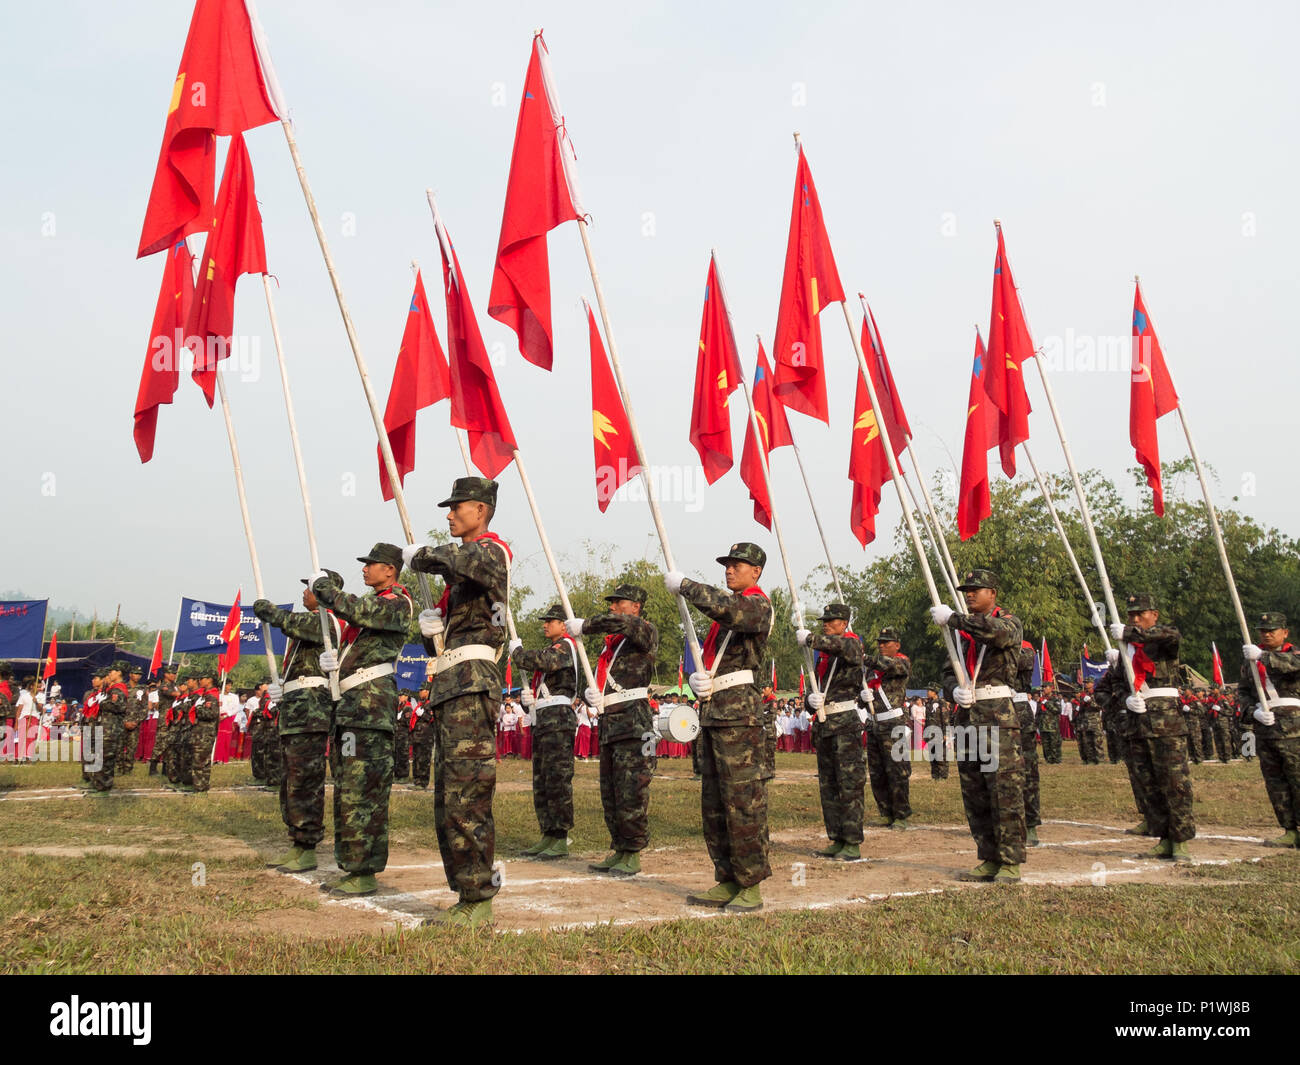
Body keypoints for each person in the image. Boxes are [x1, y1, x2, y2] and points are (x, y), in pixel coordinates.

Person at [405, 477, 510, 927]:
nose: (448, 515)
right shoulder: (463, 577)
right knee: (449, 796)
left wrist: (420, 556)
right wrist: (433, 633)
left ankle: (479, 897)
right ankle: (466, 890)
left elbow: (456, 559)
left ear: (481, 511)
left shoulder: (491, 551)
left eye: (456, 507)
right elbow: (449, 644)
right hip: (452, 683)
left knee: (468, 793)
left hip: (471, 684)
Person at [670, 542, 772, 913]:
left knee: (743, 802)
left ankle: (751, 884)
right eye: (727, 565)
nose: (729, 571)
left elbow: (728, 609)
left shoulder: (757, 605)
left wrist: (686, 585)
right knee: (714, 802)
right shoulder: (728, 615)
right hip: (716, 712)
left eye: (737, 565)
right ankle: (726, 876)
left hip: (739, 716)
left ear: (756, 571)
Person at [311, 544, 413, 897]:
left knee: (363, 789)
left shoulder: (396, 602)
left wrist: (324, 589)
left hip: (370, 708)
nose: (365, 570)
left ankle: (364, 868)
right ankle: (352, 863)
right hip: (352, 707)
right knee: (347, 787)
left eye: (371, 566)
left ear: (390, 570)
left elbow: (356, 609)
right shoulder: (378, 602)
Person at [932, 569, 1026, 884]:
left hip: (998, 718)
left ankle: (1010, 860)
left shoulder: (1008, 622)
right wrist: (952, 690)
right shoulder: (960, 635)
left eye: (976, 589)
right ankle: (988, 855)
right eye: (966, 590)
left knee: (1004, 790)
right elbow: (947, 672)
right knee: (975, 791)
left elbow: (995, 634)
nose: (969, 594)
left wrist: (955, 618)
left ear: (993, 593)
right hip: (968, 716)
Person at [254, 574, 344, 873]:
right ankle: (297, 839)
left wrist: (273, 613)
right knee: (291, 778)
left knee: (304, 778)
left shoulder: (328, 621)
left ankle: (306, 844)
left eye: (310, 588)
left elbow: (294, 624)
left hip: (312, 711)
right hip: (296, 708)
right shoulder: (309, 625)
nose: (305, 592)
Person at [570, 583, 659, 877]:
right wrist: (592, 693)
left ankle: (632, 851)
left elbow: (623, 622)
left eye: (618, 602)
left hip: (634, 722)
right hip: (611, 720)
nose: (612, 607)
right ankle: (619, 846)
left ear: (635, 606)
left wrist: (584, 625)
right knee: (610, 791)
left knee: (631, 789)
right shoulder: (613, 645)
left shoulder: (643, 631)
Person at [1110, 594, 1194, 861]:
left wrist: (1129, 633)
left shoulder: (1164, 640)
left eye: (1141, 614)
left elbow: (1170, 635)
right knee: (1148, 784)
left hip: (1166, 723)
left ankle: (1180, 840)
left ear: (1154, 615)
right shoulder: (1126, 652)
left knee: (1174, 783)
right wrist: (1122, 699)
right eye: (1131, 615)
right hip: (1137, 725)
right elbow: (1106, 689)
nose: (1135, 619)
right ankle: (1163, 836)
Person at [511, 602, 581, 860]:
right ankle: (547, 833)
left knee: (557, 779)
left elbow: (544, 661)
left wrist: (518, 653)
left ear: (563, 625)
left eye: (550, 621)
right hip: (544, 716)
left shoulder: (566, 646)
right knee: (541, 779)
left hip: (558, 718)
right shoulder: (555, 646)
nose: (545, 625)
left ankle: (560, 836)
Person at [799, 604, 866, 860]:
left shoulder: (852, 644)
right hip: (825, 723)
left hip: (845, 723)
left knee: (849, 783)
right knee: (829, 784)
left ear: (844, 622)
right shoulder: (824, 655)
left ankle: (852, 841)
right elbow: (815, 686)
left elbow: (843, 647)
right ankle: (836, 836)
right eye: (824, 621)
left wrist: (811, 639)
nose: (826, 624)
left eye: (831, 620)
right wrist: (810, 701)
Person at [1242, 612, 1300, 848]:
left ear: (1285, 633)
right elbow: (1244, 692)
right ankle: (1289, 829)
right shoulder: (1250, 660)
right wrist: (1251, 712)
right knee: (1275, 782)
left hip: (1295, 729)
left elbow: (1293, 666)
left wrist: (1264, 657)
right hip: (1266, 727)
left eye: (1272, 630)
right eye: (1263, 631)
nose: (1266, 634)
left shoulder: (1293, 654)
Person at [861, 626, 913, 829]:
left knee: (897, 771)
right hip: (875, 722)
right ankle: (885, 811)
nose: (882, 645)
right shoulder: (872, 671)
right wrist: (862, 698)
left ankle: (901, 814)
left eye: (886, 642)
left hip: (894, 723)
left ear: (897, 645)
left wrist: (862, 656)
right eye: (879, 642)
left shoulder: (902, 662)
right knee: (877, 772)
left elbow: (886, 665)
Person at [81, 662, 130, 793]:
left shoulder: (118, 689)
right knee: (99, 756)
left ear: (119, 672)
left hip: (110, 728)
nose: (109, 674)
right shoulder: (111, 689)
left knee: (105, 759)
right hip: (104, 727)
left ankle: (104, 787)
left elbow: (118, 706)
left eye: (112, 671)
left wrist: (101, 702)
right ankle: (96, 783)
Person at [1013, 640, 1042, 847]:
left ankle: (1030, 823)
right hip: (988, 707)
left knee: (1027, 768)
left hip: (1017, 709)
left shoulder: (1024, 646)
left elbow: (1022, 661)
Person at [185, 666, 221, 793]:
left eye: (202, 678)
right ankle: (202, 786)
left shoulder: (211, 696)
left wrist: (198, 708)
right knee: (202, 761)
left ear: (209, 680)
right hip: (201, 733)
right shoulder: (205, 695)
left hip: (204, 734)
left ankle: (200, 787)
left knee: (200, 762)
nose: (200, 680)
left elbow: (212, 714)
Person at [409, 686, 434, 789]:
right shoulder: (420, 704)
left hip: (425, 737)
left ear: (427, 691)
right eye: (419, 690)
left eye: (421, 690)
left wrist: (422, 714)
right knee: (416, 759)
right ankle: (416, 781)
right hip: (417, 737)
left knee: (424, 760)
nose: (419, 692)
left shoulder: (430, 704)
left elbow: (431, 718)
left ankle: (423, 782)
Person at [925, 689, 951, 779]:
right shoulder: (928, 703)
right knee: (932, 755)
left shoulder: (941, 702)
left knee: (941, 755)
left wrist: (945, 733)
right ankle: (935, 776)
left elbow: (945, 719)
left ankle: (943, 776)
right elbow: (927, 720)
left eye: (929, 690)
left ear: (935, 692)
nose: (927, 692)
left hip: (939, 732)